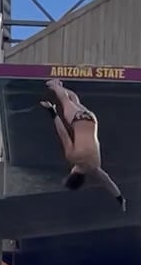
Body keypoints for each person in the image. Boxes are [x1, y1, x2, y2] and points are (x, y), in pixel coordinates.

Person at [40, 78, 125, 209]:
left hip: (92, 119)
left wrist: (120, 199)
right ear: (72, 173)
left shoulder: (95, 168)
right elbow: (63, 134)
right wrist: (53, 113)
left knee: (74, 98)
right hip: (77, 120)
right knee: (66, 101)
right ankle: (55, 85)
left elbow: (108, 182)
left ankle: (61, 86)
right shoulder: (73, 156)